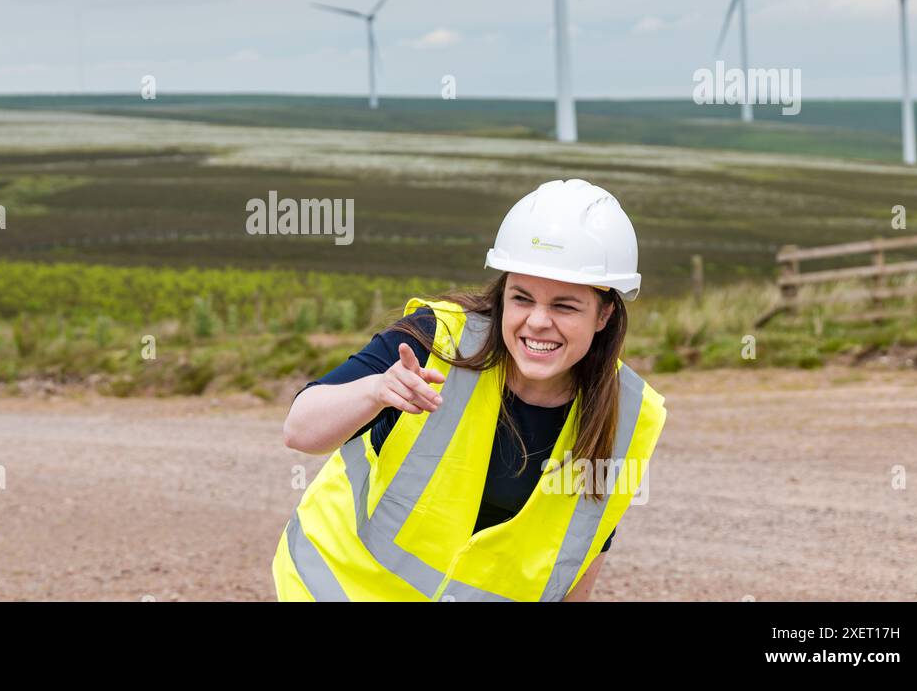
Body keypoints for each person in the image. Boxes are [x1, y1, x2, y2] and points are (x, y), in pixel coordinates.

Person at [273, 178, 667, 601]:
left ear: (604, 314)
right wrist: (374, 391)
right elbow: (300, 430)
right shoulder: (435, 340)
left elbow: (581, 550)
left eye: (564, 306)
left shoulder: (629, 413)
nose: (536, 321)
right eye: (521, 298)